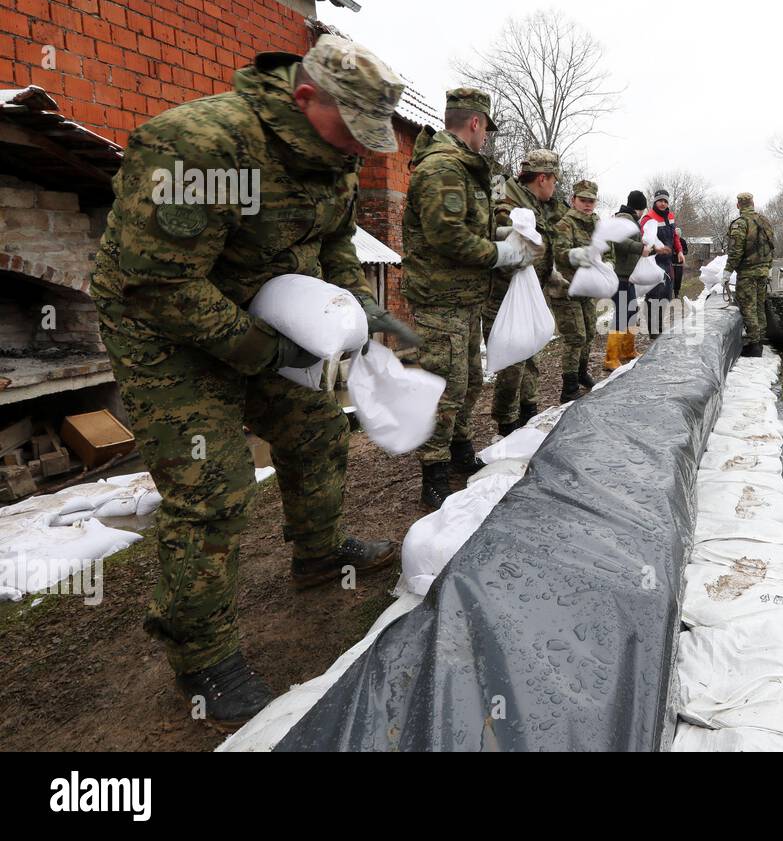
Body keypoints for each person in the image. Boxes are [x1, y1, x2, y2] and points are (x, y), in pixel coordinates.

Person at [89, 35, 416, 728]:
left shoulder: (333, 159)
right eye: (351, 133)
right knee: (213, 485)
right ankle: (201, 653)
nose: (359, 151)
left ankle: (320, 554)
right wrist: (264, 353)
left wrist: (353, 308)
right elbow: (159, 283)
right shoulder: (203, 144)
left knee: (319, 425)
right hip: (164, 329)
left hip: (261, 311)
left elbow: (334, 243)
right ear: (304, 99)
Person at [403, 88, 539, 511]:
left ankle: (459, 449)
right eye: (486, 131)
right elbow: (447, 236)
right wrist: (500, 253)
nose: (486, 140)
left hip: (463, 298)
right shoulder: (444, 168)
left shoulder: (463, 169)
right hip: (439, 298)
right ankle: (433, 474)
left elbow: (467, 228)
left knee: (470, 379)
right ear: (476, 123)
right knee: (445, 386)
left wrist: (505, 237)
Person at [482, 148, 561, 436]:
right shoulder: (509, 202)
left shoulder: (534, 203)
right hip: (503, 297)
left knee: (529, 359)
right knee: (513, 366)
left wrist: (548, 272)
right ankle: (507, 427)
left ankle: (528, 416)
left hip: (527, 294)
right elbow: (503, 241)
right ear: (542, 178)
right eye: (554, 180)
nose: (555, 186)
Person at [552, 179, 602, 400]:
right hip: (567, 289)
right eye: (583, 200)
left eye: (591, 201)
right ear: (573, 200)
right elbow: (559, 252)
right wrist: (576, 255)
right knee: (576, 337)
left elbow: (607, 248)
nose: (587, 205)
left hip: (587, 289)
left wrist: (608, 262)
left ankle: (581, 372)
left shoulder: (597, 224)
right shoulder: (566, 224)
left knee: (590, 332)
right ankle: (569, 386)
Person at [723, 191, 775, 357]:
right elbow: (771, 246)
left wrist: (727, 270)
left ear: (738, 205)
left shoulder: (740, 223)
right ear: (752, 203)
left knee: (748, 307)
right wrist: (769, 267)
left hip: (748, 272)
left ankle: (754, 345)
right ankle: (759, 338)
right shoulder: (764, 221)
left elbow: (736, 251)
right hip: (763, 271)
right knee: (759, 305)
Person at [604, 191, 651, 370]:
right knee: (622, 313)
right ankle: (610, 358)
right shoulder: (624, 220)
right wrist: (640, 248)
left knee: (631, 311)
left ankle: (627, 350)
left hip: (627, 276)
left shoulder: (630, 220)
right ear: (639, 208)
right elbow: (619, 242)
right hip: (619, 275)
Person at [638, 189, 681, 337]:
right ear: (655, 201)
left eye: (665, 201)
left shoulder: (670, 216)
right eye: (660, 200)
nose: (663, 203)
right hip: (653, 263)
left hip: (668, 263)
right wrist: (655, 248)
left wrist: (680, 251)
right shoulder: (648, 218)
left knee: (666, 296)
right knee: (654, 297)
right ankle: (653, 332)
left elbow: (675, 236)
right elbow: (644, 239)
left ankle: (660, 327)